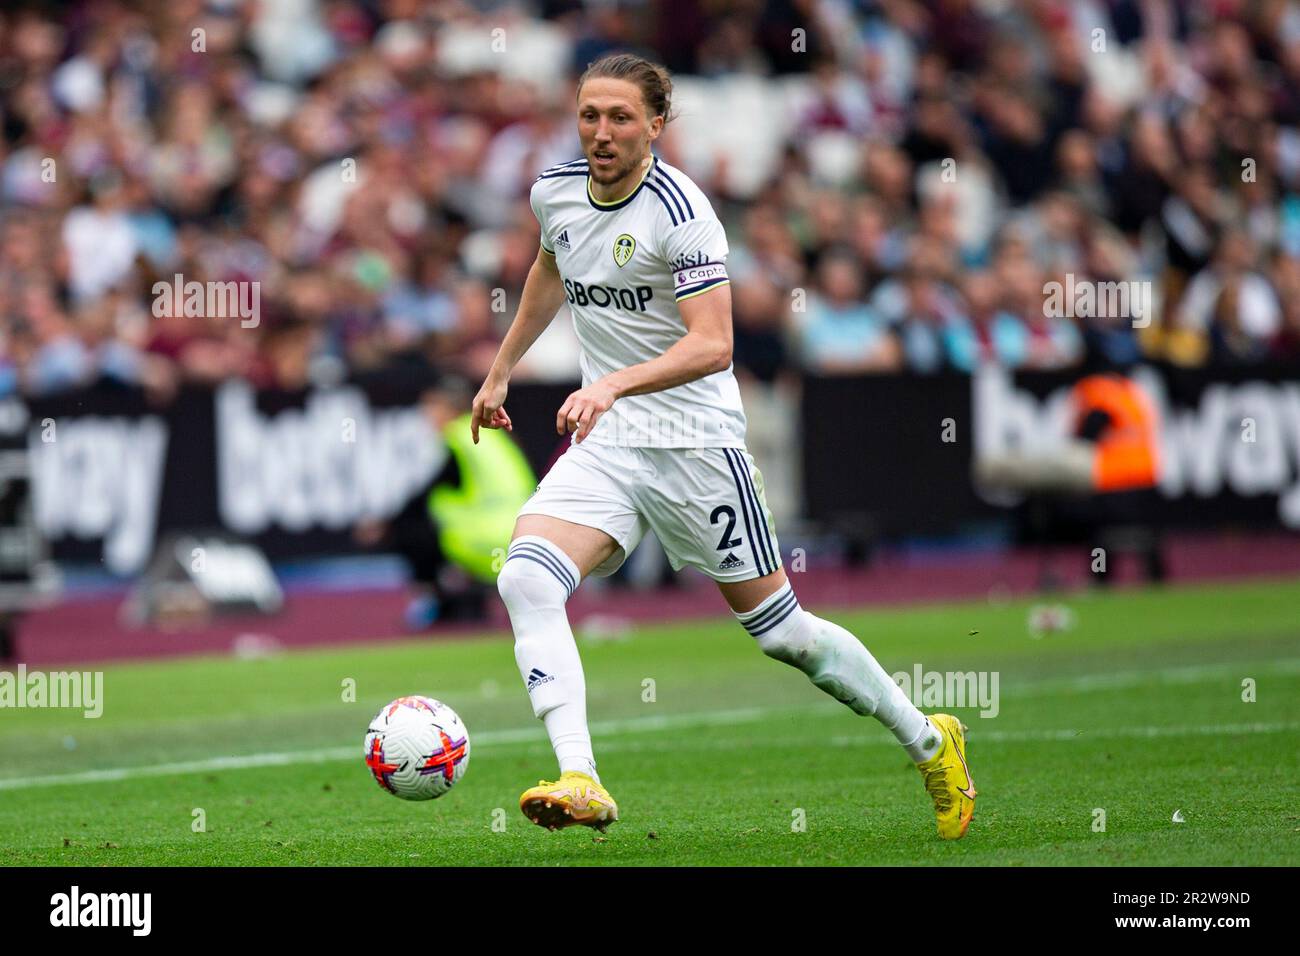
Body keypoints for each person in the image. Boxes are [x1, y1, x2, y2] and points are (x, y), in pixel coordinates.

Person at [471, 53, 975, 839]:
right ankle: (581, 776)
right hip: (610, 444)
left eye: (620, 118)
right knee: (528, 579)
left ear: (655, 126)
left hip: (693, 442)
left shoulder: (683, 212)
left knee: (783, 634)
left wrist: (611, 383)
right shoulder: (555, 190)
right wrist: (500, 372)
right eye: (589, 115)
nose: (601, 133)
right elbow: (549, 264)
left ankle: (928, 738)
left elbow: (714, 345)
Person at [355, 377, 535, 628]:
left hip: (487, 539)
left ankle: (433, 597)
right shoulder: (496, 436)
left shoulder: (459, 437)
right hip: (523, 533)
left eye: (432, 407)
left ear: (450, 409)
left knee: (410, 527)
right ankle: (473, 592)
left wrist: (382, 525)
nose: (427, 416)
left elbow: (426, 494)